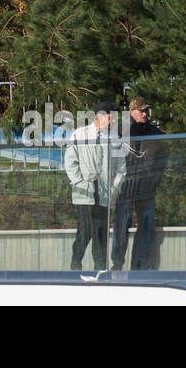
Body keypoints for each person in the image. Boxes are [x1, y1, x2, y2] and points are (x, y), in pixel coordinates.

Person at [64, 101, 123, 272]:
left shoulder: (115, 138)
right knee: (85, 230)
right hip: (84, 192)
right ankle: (76, 264)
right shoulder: (79, 134)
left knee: (101, 232)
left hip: (104, 192)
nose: (114, 122)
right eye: (111, 118)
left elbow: (121, 167)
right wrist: (79, 183)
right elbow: (70, 161)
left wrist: (115, 188)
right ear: (100, 117)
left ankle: (100, 269)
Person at [112, 97, 167, 271]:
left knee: (146, 225)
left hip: (147, 187)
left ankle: (139, 266)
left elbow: (163, 156)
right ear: (131, 112)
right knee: (122, 224)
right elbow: (109, 157)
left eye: (146, 110)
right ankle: (117, 263)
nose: (145, 113)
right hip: (126, 186)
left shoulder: (155, 132)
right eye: (141, 110)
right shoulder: (120, 131)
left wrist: (155, 179)